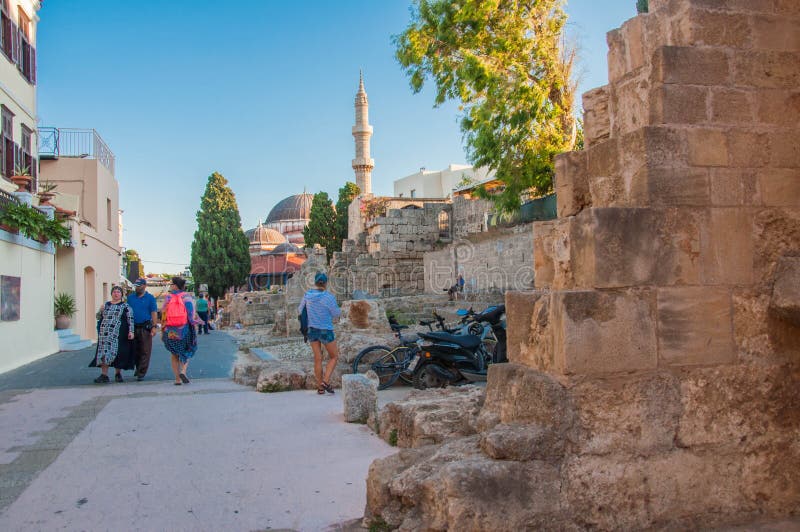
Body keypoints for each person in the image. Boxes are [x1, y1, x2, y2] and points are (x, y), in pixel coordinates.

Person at [297, 272, 341, 395]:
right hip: (325, 330)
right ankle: (325, 382)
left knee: (318, 358)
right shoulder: (329, 297)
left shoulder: (307, 295)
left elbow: (299, 310)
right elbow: (336, 313)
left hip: (312, 330)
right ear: (326, 283)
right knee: (334, 357)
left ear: (315, 283)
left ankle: (320, 388)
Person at [90, 285, 135, 383]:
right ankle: (104, 375)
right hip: (105, 334)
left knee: (117, 353)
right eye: (114, 292)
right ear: (111, 294)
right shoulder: (106, 305)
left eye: (118, 292)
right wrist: (100, 310)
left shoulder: (125, 306)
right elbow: (98, 317)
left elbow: (130, 319)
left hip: (118, 334)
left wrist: (131, 331)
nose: (116, 294)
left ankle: (118, 373)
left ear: (121, 294)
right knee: (103, 353)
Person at [161, 276, 197, 385]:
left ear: (176, 286)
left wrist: (162, 329)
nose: (170, 286)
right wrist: (194, 324)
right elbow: (191, 312)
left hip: (170, 330)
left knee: (174, 354)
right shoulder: (186, 296)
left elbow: (163, 313)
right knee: (188, 350)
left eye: (171, 284)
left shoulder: (168, 297)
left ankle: (177, 379)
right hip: (184, 329)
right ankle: (183, 371)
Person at [127, 277, 158, 381]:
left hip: (145, 327)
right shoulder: (130, 298)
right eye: (136, 286)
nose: (137, 288)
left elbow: (154, 312)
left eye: (139, 286)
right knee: (135, 350)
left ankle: (141, 372)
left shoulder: (150, 298)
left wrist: (154, 327)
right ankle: (138, 367)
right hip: (133, 327)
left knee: (145, 350)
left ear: (144, 286)